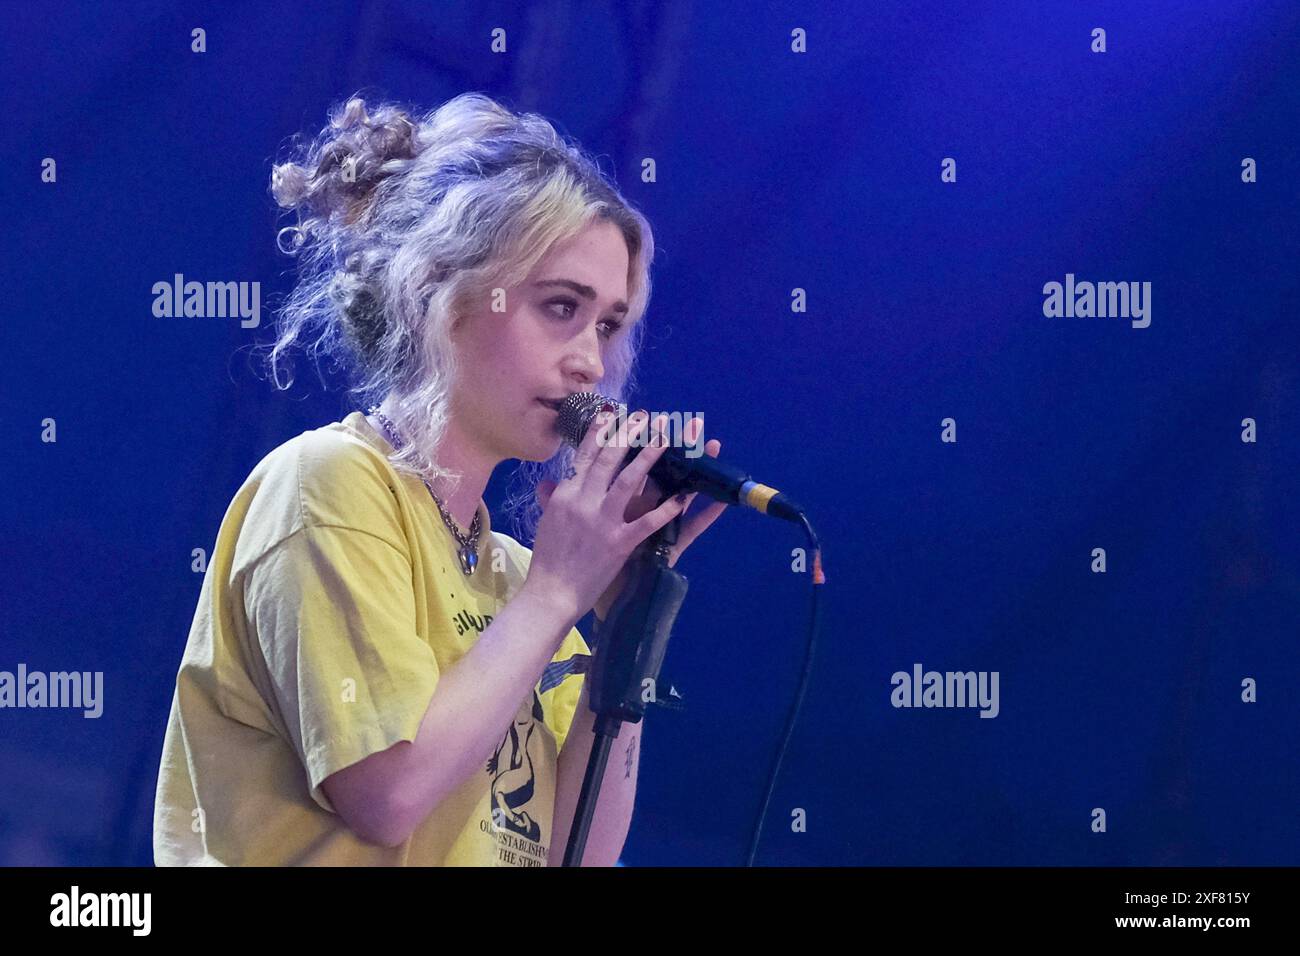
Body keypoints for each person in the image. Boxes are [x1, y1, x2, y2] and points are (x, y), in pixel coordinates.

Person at [152, 92, 726, 866]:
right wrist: (560, 592)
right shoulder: (328, 486)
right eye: (561, 307)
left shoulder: (517, 577)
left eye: (608, 326)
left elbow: (578, 854)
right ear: (438, 294)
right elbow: (387, 794)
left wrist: (628, 621)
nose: (591, 361)